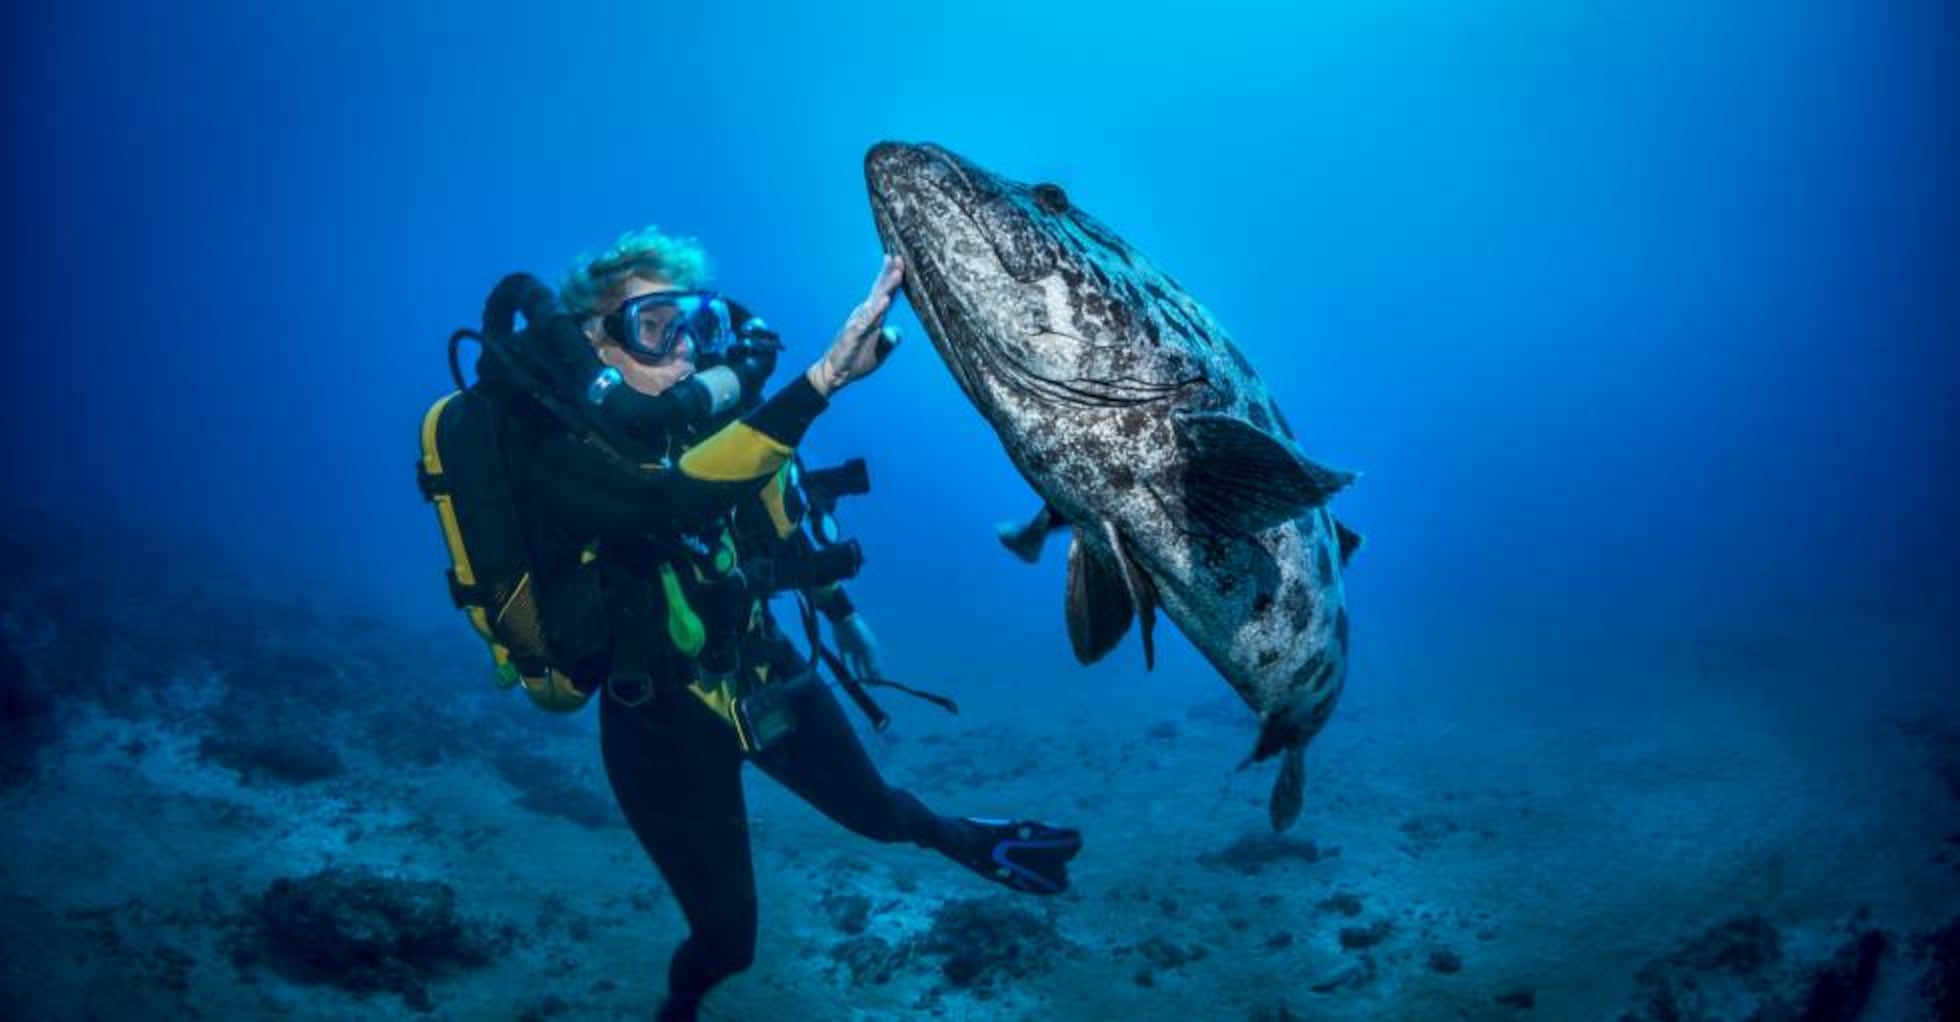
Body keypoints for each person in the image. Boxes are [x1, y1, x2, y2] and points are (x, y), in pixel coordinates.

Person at [495, 226, 1083, 1021]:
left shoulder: (711, 424)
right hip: (657, 723)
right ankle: (679, 1007)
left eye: (689, 324)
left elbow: (776, 526)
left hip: (763, 669)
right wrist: (825, 376)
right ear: (591, 347)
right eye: (651, 327)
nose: (682, 348)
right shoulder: (556, 449)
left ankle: (975, 841)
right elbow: (664, 504)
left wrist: (842, 614)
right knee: (728, 939)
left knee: (881, 814)